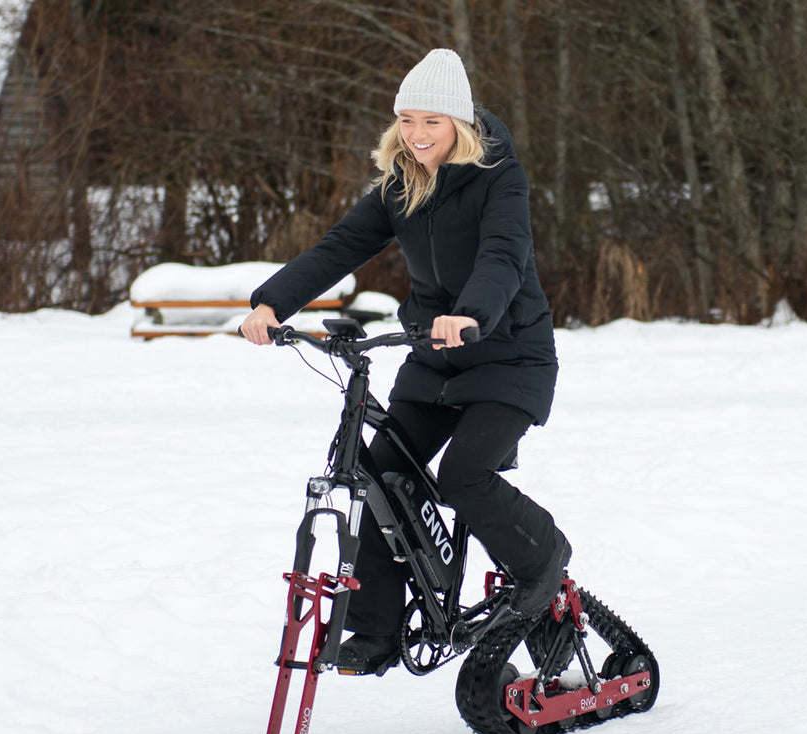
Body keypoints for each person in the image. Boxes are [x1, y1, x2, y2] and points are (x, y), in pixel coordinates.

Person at [241, 48, 571, 673]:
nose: (417, 134)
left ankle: (542, 558)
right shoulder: (401, 184)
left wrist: (470, 314)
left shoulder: (500, 177)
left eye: (432, 122)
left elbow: (503, 255)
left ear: (460, 124)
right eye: (408, 121)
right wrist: (272, 303)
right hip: (435, 361)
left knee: (463, 475)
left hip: (509, 357)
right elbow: (341, 246)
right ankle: (378, 630)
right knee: (379, 477)